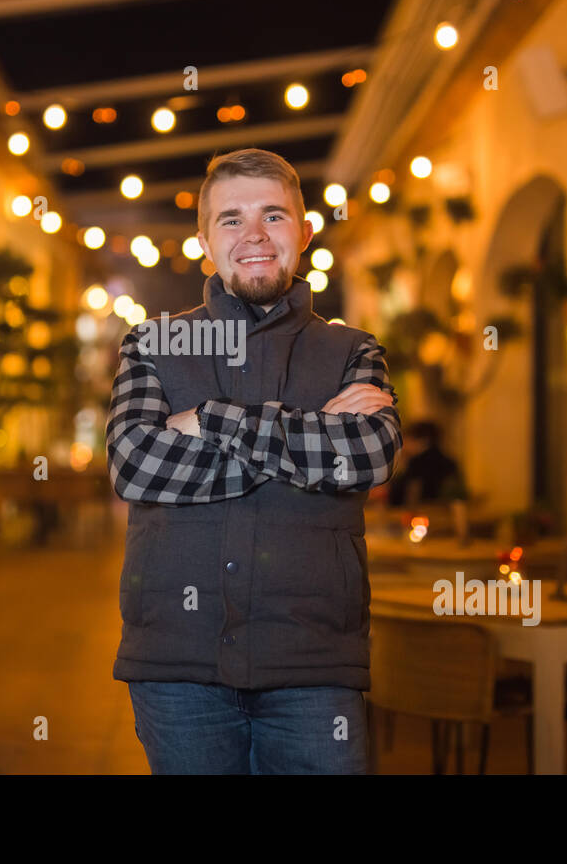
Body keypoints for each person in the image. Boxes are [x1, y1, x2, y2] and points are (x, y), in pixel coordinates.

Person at [106, 148, 402, 774]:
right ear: (205, 242)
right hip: (176, 663)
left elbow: (369, 457)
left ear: (305, 230)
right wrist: (313, 439)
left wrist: (210, 419)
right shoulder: (153, 342)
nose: (256, 236)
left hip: (316, 663)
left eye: (274, 215)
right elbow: (135, 466)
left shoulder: (355, 350)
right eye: (232, 220)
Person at [386, 420, 466, 507]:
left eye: (408, 438)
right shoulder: (450, 462)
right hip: (444, 515)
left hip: (419, 515)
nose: (404, 444)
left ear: (424, 440)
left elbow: (402, 497)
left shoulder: (416, 464)